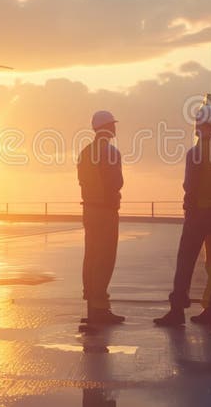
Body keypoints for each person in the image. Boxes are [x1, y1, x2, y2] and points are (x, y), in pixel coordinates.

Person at [154, 104, 211, 326]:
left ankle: (177, 310)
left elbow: (190, 185)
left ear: (199, 126)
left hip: (198, 213)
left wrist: (190, 208)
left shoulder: (195, 153)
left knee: (186, 261)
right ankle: (210, 310)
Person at [77, 110, 125, 325]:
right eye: (113, 124)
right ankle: (100, 308)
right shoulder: (111, 151)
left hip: (89, 209)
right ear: (107, 127)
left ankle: (91, 303)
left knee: (91, 255)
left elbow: (82, 180)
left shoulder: (85, 152)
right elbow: (117, 182)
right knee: (105, 258)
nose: (115, 128)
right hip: (106, 210)